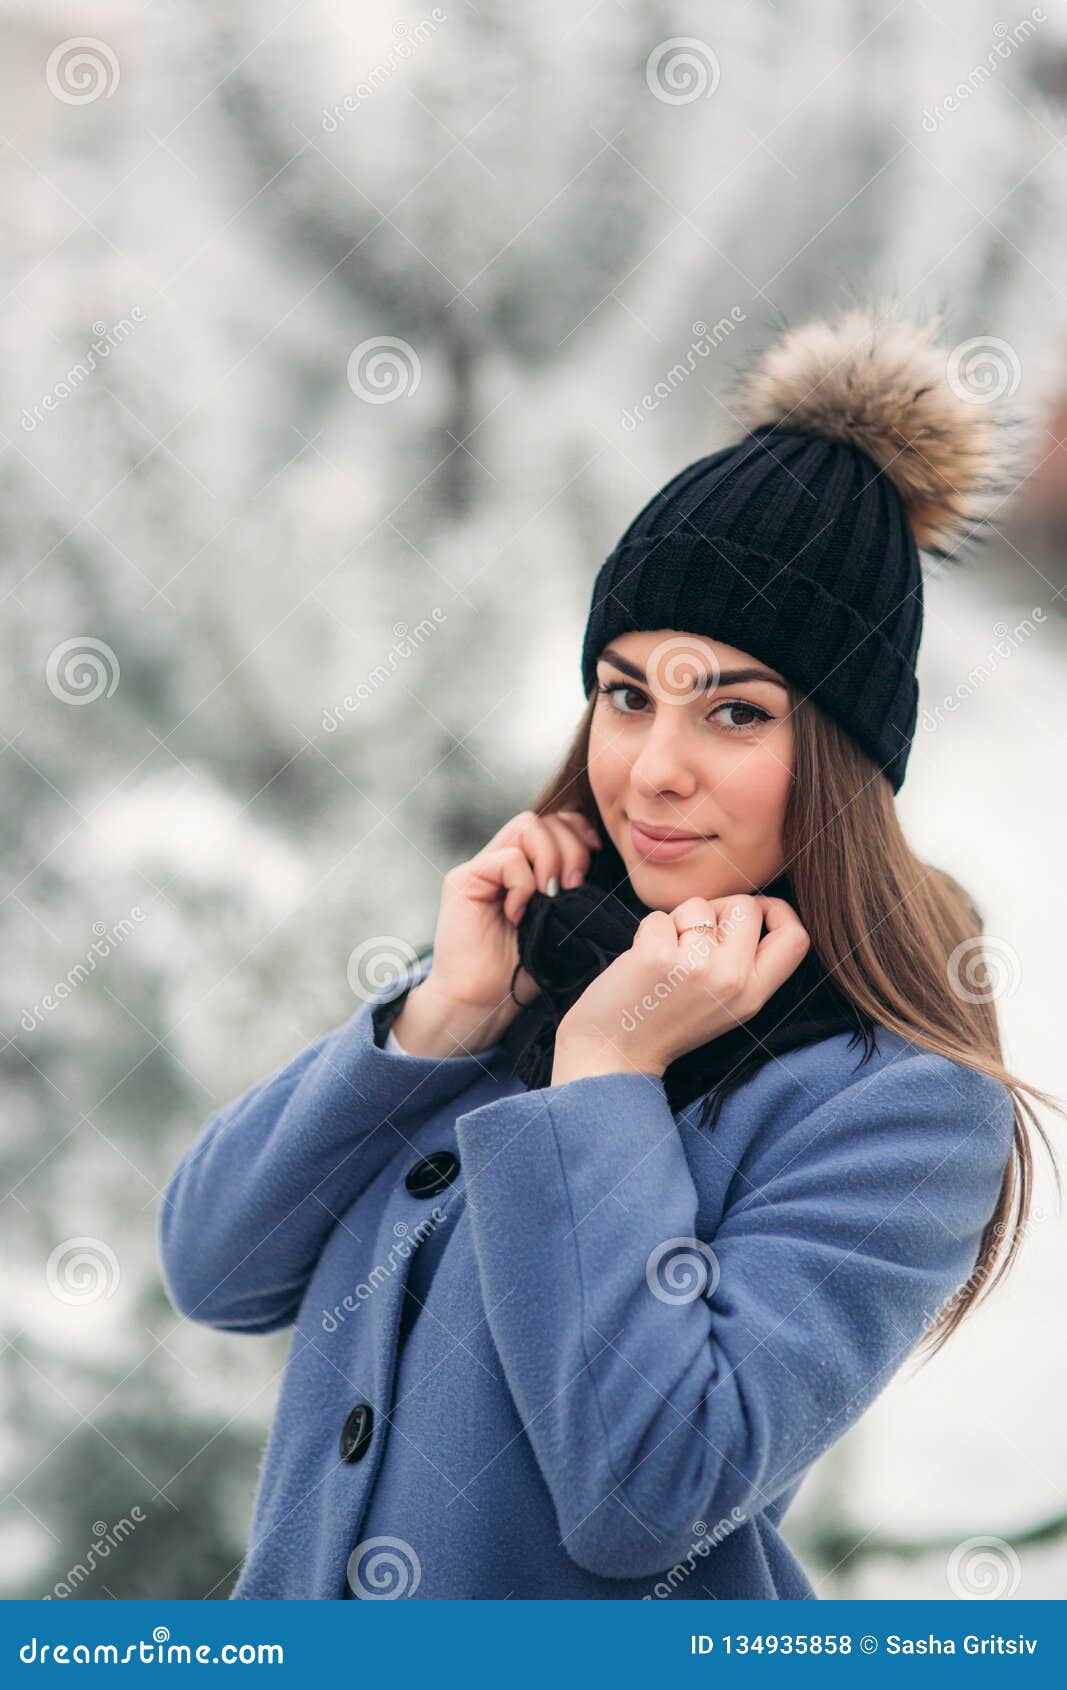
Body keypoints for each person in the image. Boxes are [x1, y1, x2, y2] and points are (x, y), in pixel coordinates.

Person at [158, 304, 1060, 1601]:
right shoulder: (533, 956)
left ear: (844, 759)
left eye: (735, 712)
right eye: (628, 693)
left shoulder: (901, 1101)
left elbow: (649, 1491)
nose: (653, 768)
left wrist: (607, 1074)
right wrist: (438, 1024)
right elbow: (216, 1266)